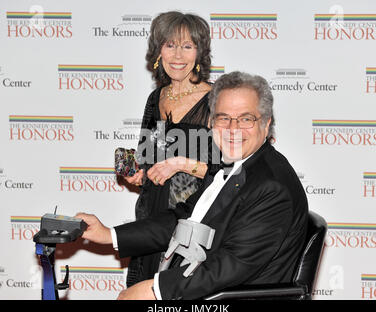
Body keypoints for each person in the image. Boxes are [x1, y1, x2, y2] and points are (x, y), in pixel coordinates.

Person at [77, 71, 308, 300]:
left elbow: (230, 266)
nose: (233, 128)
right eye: (223, 117)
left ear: (266, 125)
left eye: (246, 118)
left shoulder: (272, 186)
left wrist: (156, 290)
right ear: (211, 123)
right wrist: (110, 235)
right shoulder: (229, 165)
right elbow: (182, 220)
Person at [119, 11, 213, 287]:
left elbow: (233, 171)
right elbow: (147, 156)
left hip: (195, 221)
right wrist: (138, 174)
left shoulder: (218, 100)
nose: (178, 56)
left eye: (187, 46)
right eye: (170, 45)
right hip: (153, 218)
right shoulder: (155, 98)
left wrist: (181, 163)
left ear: (199, 52)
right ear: (158, 50)